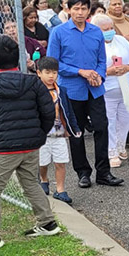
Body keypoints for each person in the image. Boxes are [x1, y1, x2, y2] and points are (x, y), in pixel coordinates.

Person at [0, 35, 61, 254]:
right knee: (30, 183)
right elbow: (47, 112)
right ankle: (47, 222)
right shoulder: (33, 82)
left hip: (4, 147)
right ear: (18, 58)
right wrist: (37, 135)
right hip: (30, 145)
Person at [47, 0, 122, 188]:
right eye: (76, 9)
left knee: (101, 127)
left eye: (83, 9)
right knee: (76, 131)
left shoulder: (96, 32)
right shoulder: (58, 32)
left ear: (89, 10)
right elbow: (53, 63)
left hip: (95, 89)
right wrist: (80, 72)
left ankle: (104, 172)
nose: (80, 13)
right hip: (72, 89)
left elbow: (100, 60)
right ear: (69, 10)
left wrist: (98, 75)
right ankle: (83, 172)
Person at [93, 13, 129, 169]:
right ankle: (111, 151)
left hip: (125, 85)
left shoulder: (121, 40)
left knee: (127, 118)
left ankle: (121, 144)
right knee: (109, 121)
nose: (109, 31)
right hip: (107, 88)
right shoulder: (94, 44)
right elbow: (92, 67)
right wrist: (107, 71)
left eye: (111, 28)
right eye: (105, 29)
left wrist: (128, 67)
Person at [34, 56, 76, 205]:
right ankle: (44, 179)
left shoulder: (61, 91)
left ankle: (60, 189)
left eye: (54, 73)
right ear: (39, 73)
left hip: (58, 132)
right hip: (42, 134)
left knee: (61, 162)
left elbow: (68, 111)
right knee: (43, 161)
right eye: (47, 72)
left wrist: (72, 128)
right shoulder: (35, 91)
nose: (51, 76)